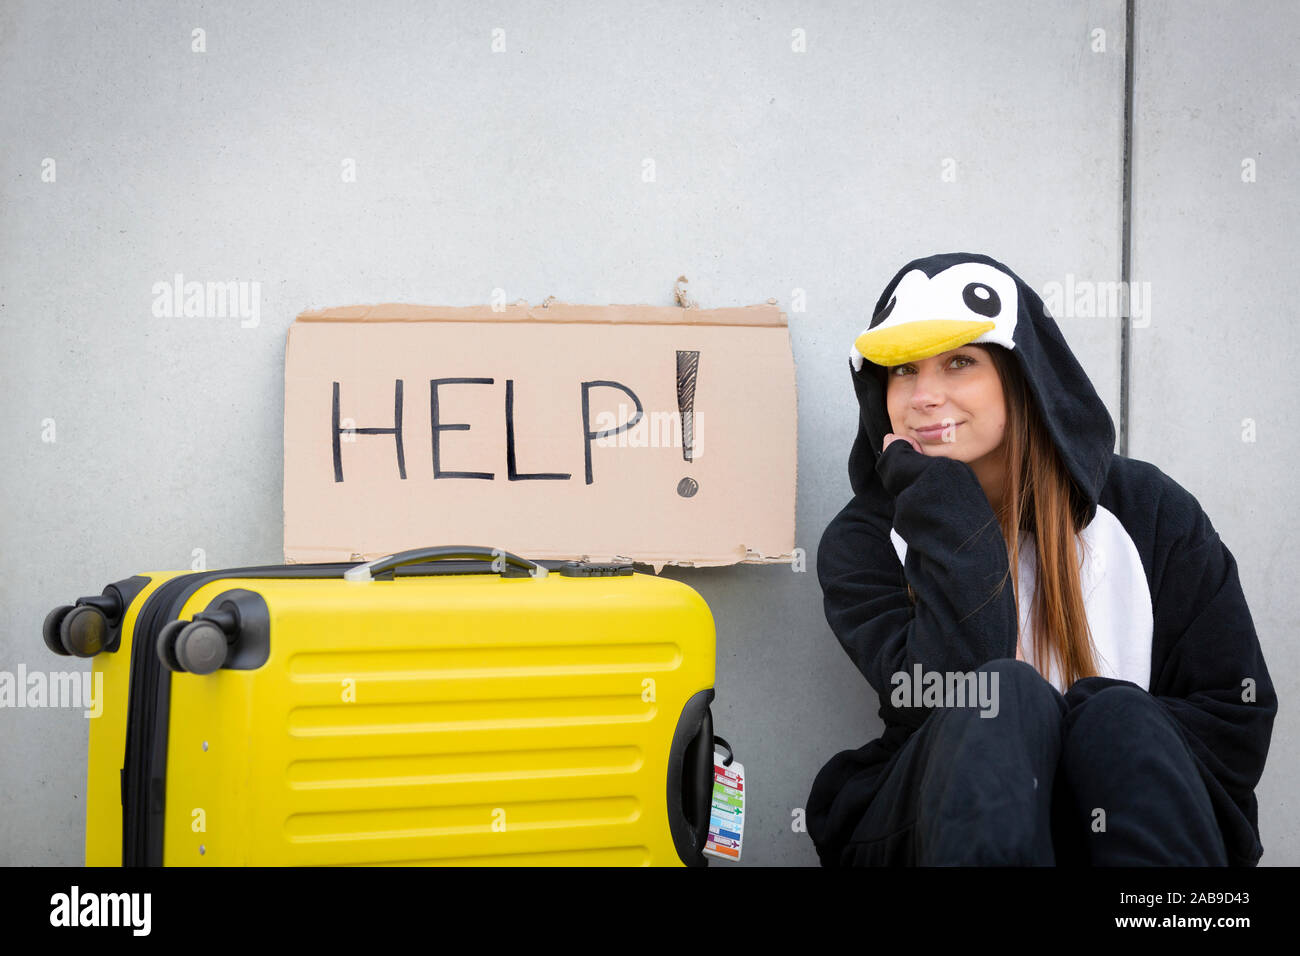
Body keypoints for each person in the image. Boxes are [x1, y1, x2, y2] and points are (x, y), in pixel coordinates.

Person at [806, 251, 1277, 866]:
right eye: (901, 370)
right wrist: (947, 513)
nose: (924, 396)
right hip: (950, 820)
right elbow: (934, 698)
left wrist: (1084, 741)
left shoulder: (1148, 510)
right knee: (999, 698)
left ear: (1021, 373)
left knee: (1116, 716)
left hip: (1135, 815)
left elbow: (1235, 716)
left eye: (959, 362)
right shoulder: (864, 541)